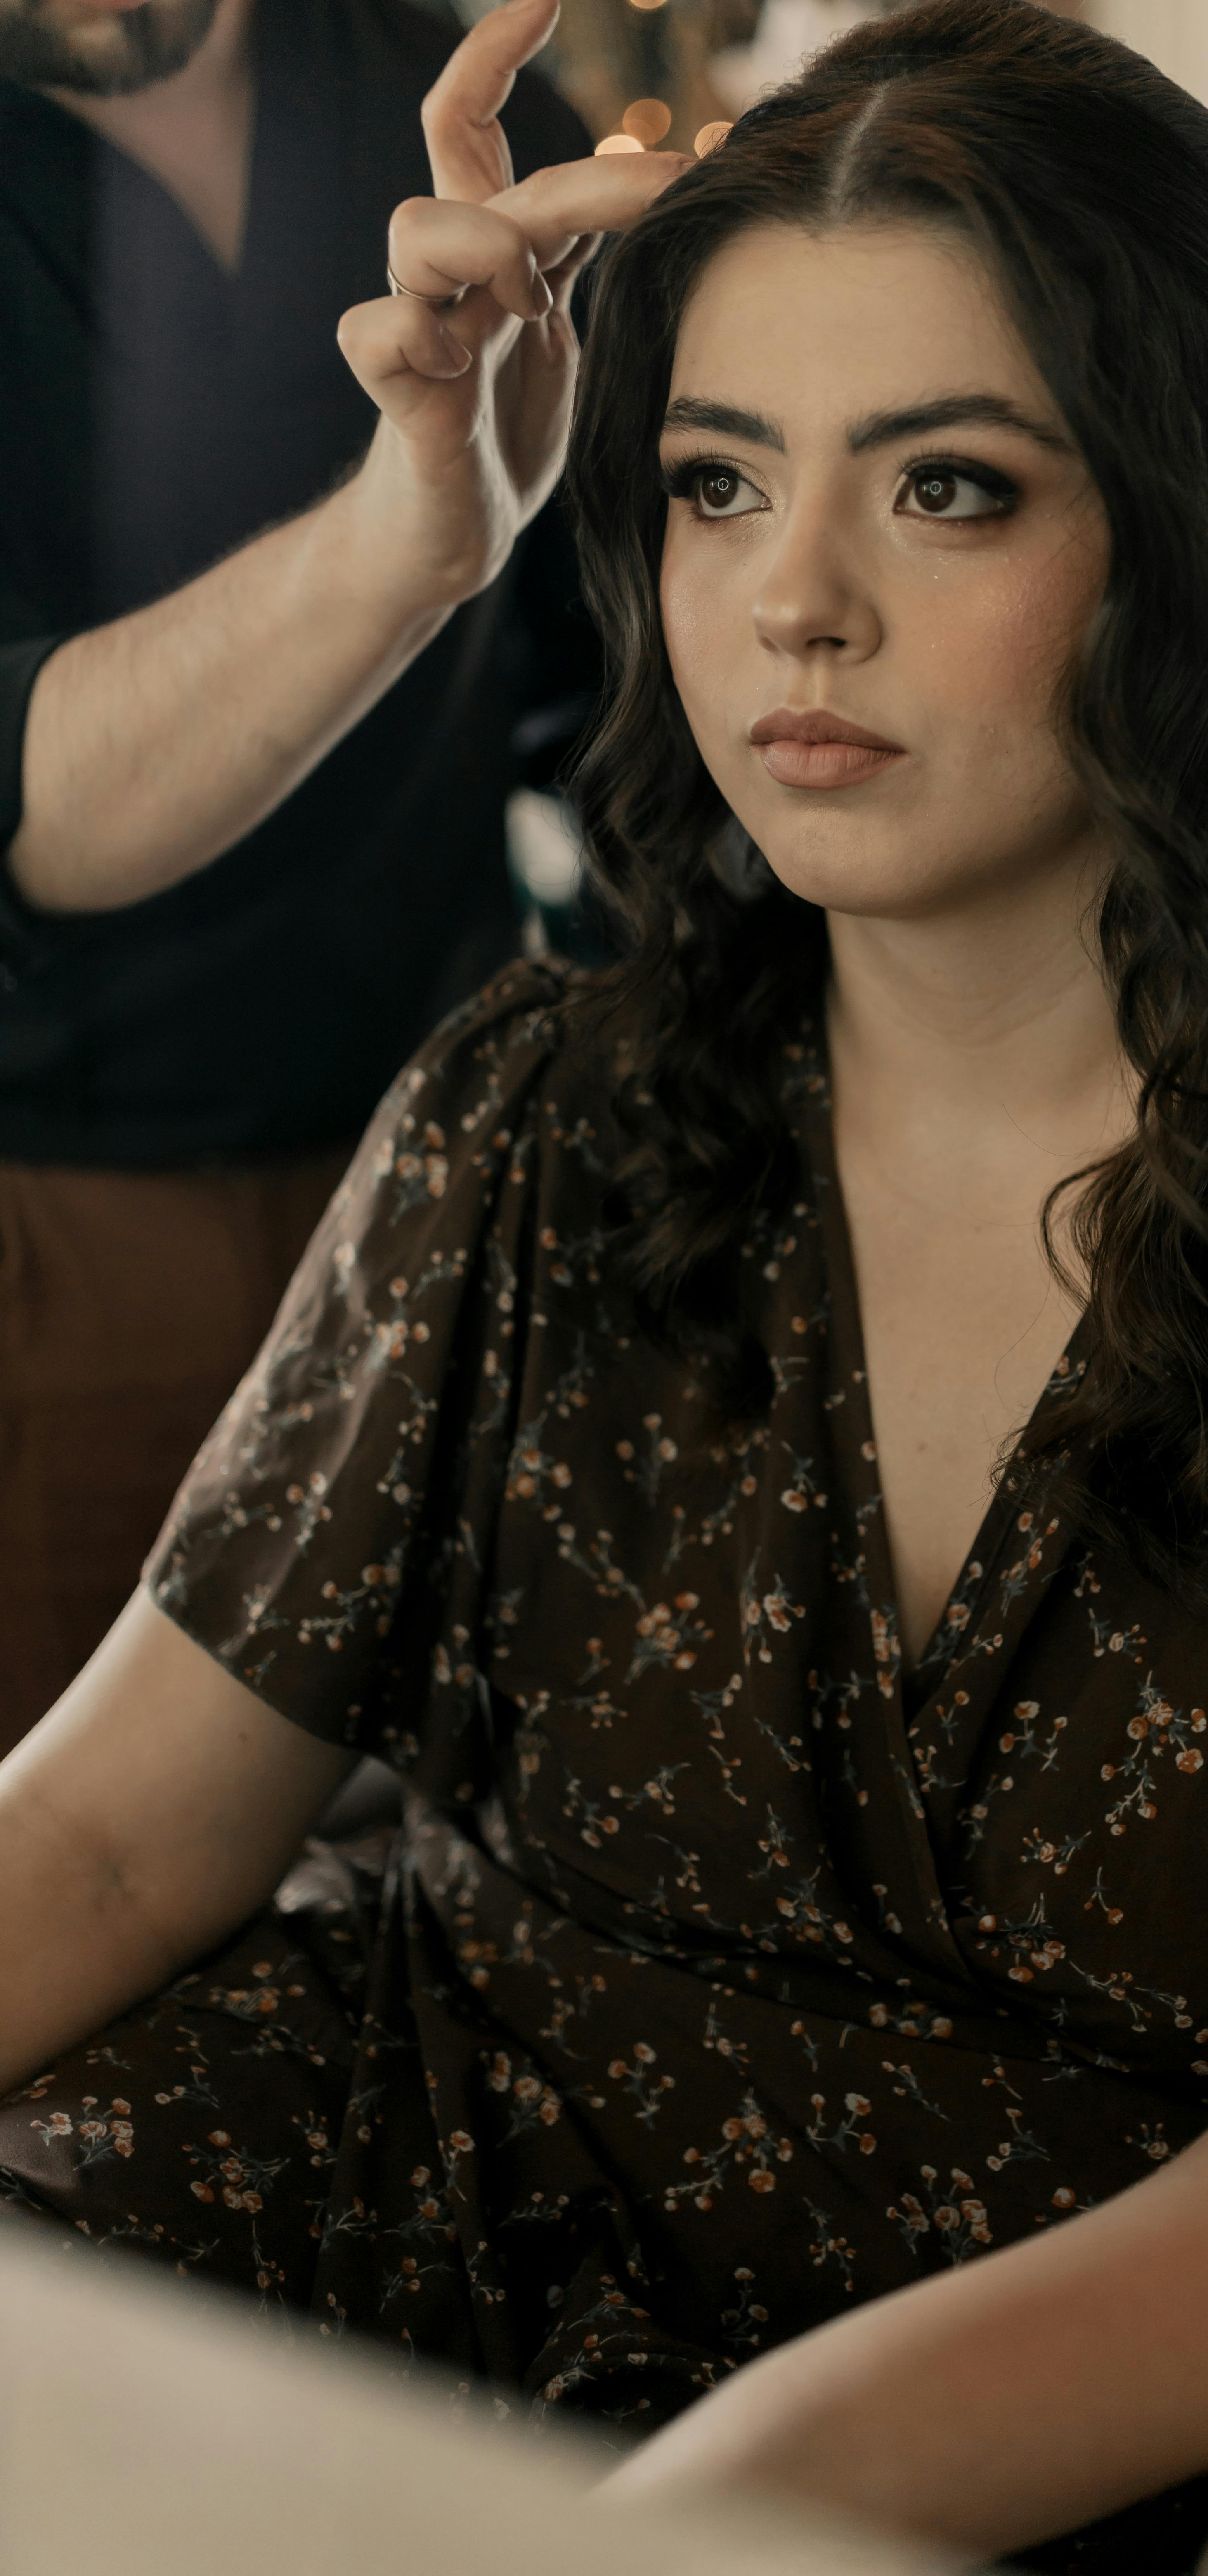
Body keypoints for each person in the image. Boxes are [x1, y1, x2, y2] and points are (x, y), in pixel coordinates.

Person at [5, 3, 1208, 2568]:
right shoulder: (535, 1105)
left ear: (1172, 531)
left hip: (1041, 2398)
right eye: (715, 485)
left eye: (946, 487)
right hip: (384, 2236)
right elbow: (123, 1843)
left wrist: (766, 2492)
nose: (795, 604)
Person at [0, 0, 620, 1749]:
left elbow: (603, 686)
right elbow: (33, 806)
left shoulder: (471, 119)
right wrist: (404, 540)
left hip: (462, 1195)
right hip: (68, 1230)